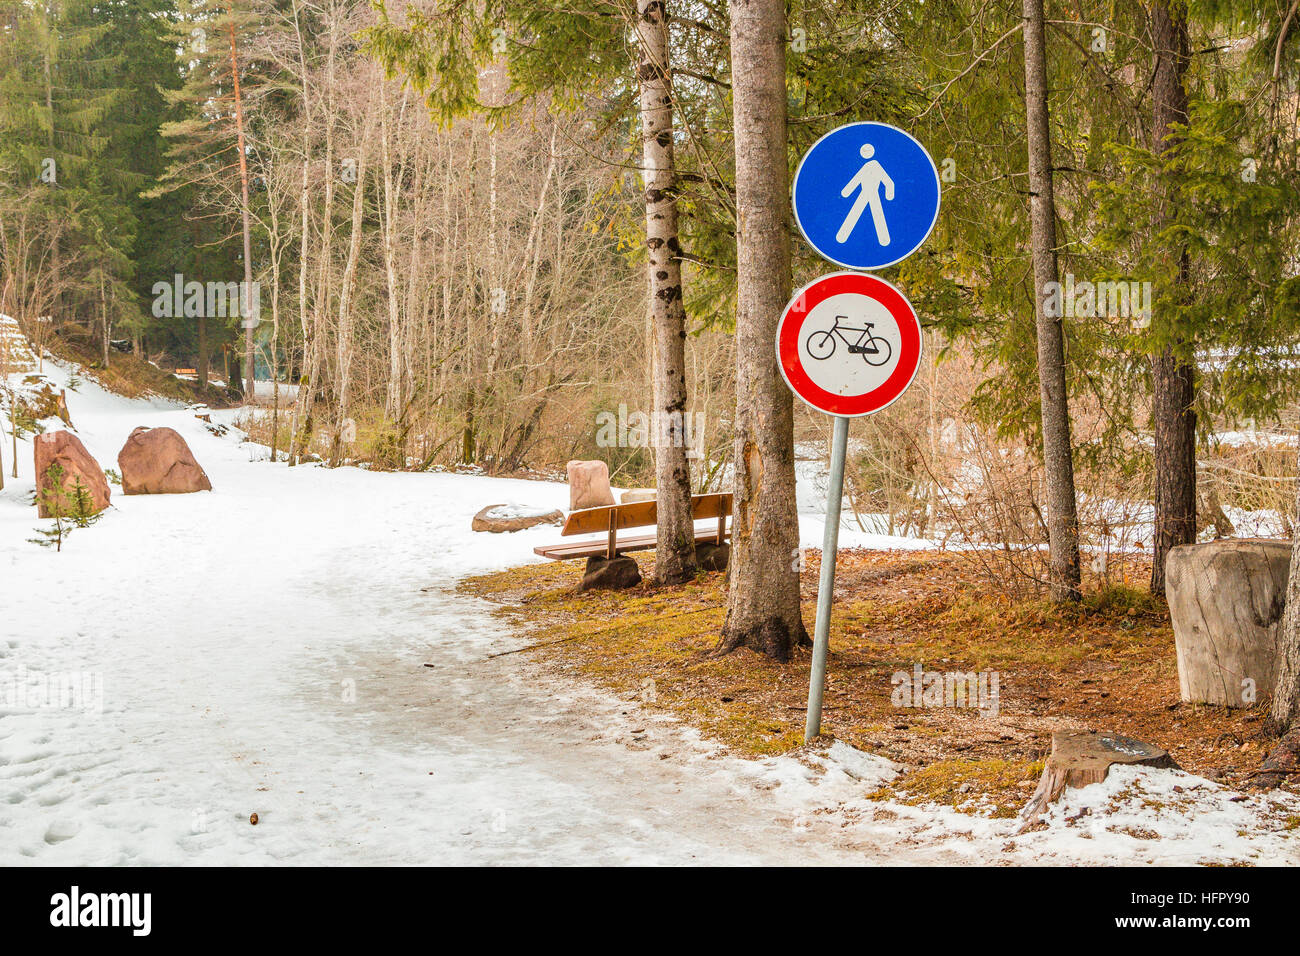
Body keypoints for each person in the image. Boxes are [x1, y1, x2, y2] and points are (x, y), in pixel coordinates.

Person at [836, 143, 895, 246]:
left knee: (860, 213)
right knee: (874, 214)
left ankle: (841, 237)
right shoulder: (868, 166)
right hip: (866, 193)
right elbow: (857, 179)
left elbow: (888, 182)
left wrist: (889, 194)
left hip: (871, 193)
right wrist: (846, 192)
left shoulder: (875, 166)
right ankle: (884, 240)